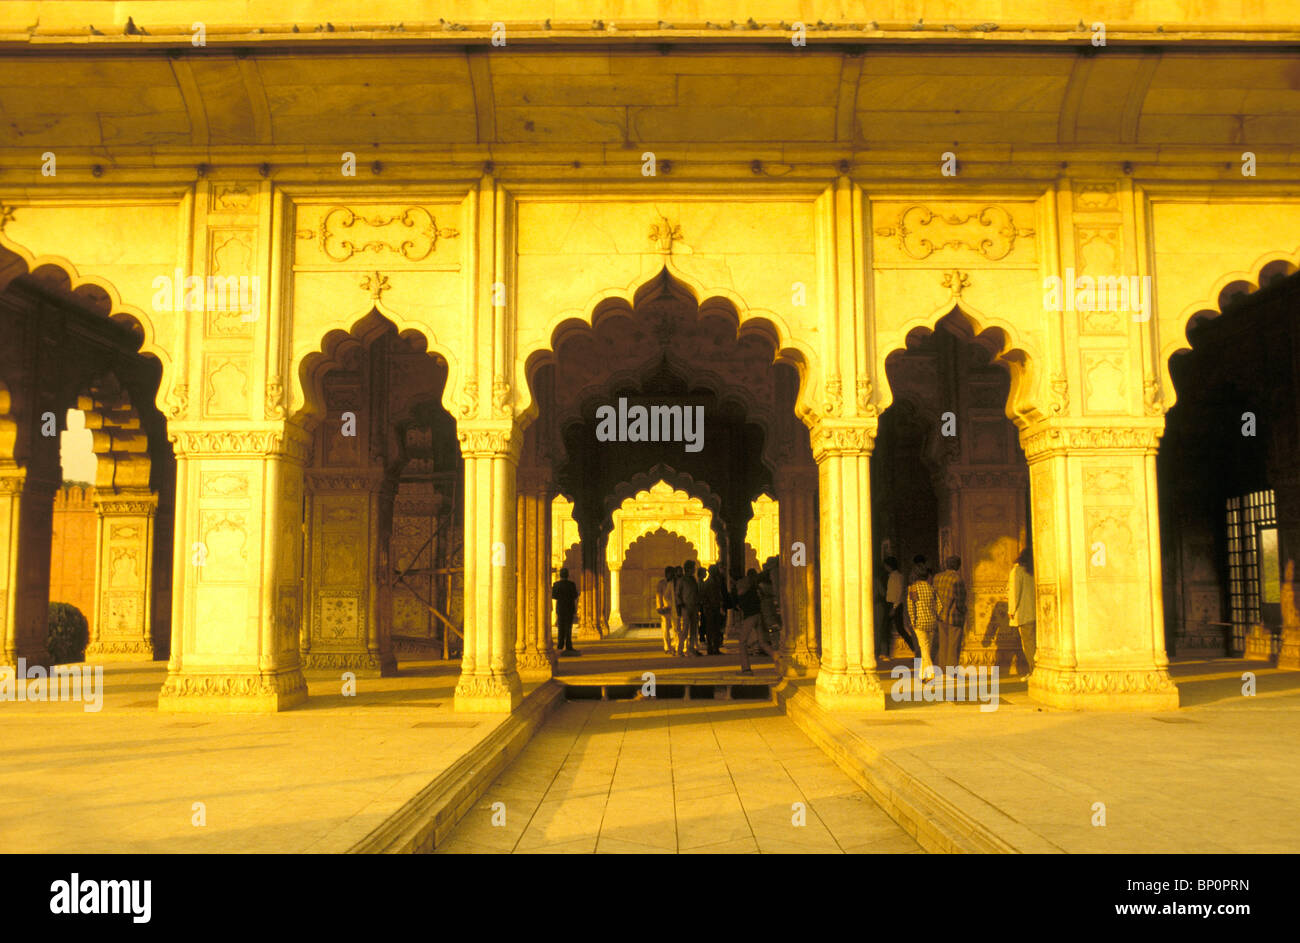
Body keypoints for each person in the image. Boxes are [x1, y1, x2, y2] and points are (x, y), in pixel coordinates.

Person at [736, 568, 778, 674]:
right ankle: (778, 658)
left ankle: (746, 669)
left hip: (750, 616)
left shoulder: (744, 585)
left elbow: (740, 599)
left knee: (742, 642)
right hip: (758, 615)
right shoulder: (756, 587)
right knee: (762, 642)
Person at [932, 555, 967, 670]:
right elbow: (960, 601)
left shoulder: (937, 577)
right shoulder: (957, 579)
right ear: (958, 566)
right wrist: (964, 611)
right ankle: (952, 670)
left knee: (943, 644)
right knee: (953, 645)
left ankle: (941, 668)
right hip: (954, 616)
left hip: (939, 615)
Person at [906, 561, 938, 681]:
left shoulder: (913, 588)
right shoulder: (931, 588)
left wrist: (913, 621)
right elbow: (939, 606)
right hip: (932, 621)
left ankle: (931, 673)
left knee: (924, 649)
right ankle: (922, 674)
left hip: (920, 622)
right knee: (926, 648)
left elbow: (911, 607)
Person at [1008, 548, 1036, 675]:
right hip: (1037, 614)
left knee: (1028, 645)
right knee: (1035, 645)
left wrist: (1011, 610)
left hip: (1024, 614)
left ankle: (1033, 671)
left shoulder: (1017, 571)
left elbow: (1014, 592)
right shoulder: (1034, 570)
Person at [883, 556, 918, 658]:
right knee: (893, 628)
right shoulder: (894, 576)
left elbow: (898, 593)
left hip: (895, 604)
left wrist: (894, 607)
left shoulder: (896, 577)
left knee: (899, 628)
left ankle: (914, 648)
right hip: (894, 603)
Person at [675, 559, 702, 656]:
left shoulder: (693, 579)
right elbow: (677, 594)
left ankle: (691, 649)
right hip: (686, 607)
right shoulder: (682, 580)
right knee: (685, 629)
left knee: (694, 630)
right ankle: (680, 649)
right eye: (693, 568)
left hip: (694, 607)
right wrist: (681, 604)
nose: (694, 570)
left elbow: (696, 593)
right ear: (688, 569)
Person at [699, 564, 726, 655]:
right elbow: (704, 596)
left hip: (715, 607)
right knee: (711, 629)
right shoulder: (709, 583)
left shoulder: (714, 582)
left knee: (715, 628)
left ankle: (714, 647)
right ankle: (711, 648)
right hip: (710, 608)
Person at [551, 568, 579, 656]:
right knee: (568, 627)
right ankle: (568, 645)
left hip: (560, 608)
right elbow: (575, 595)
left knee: (561, 627)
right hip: (569, 608)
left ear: (560, 575)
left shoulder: (556, 584)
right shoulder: (571, 584)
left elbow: (553, 595)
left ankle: (560, 645)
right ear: (568, 575)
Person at [655, 565, 677, 654]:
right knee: (665, 629)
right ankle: (667, 646)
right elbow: (659, 595)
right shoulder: (661, 583)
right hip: (665, 608)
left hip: (674, 608)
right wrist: (659, 607)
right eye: (669, 573)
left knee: (676, 628)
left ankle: (675, 644)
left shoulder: (675, 583)